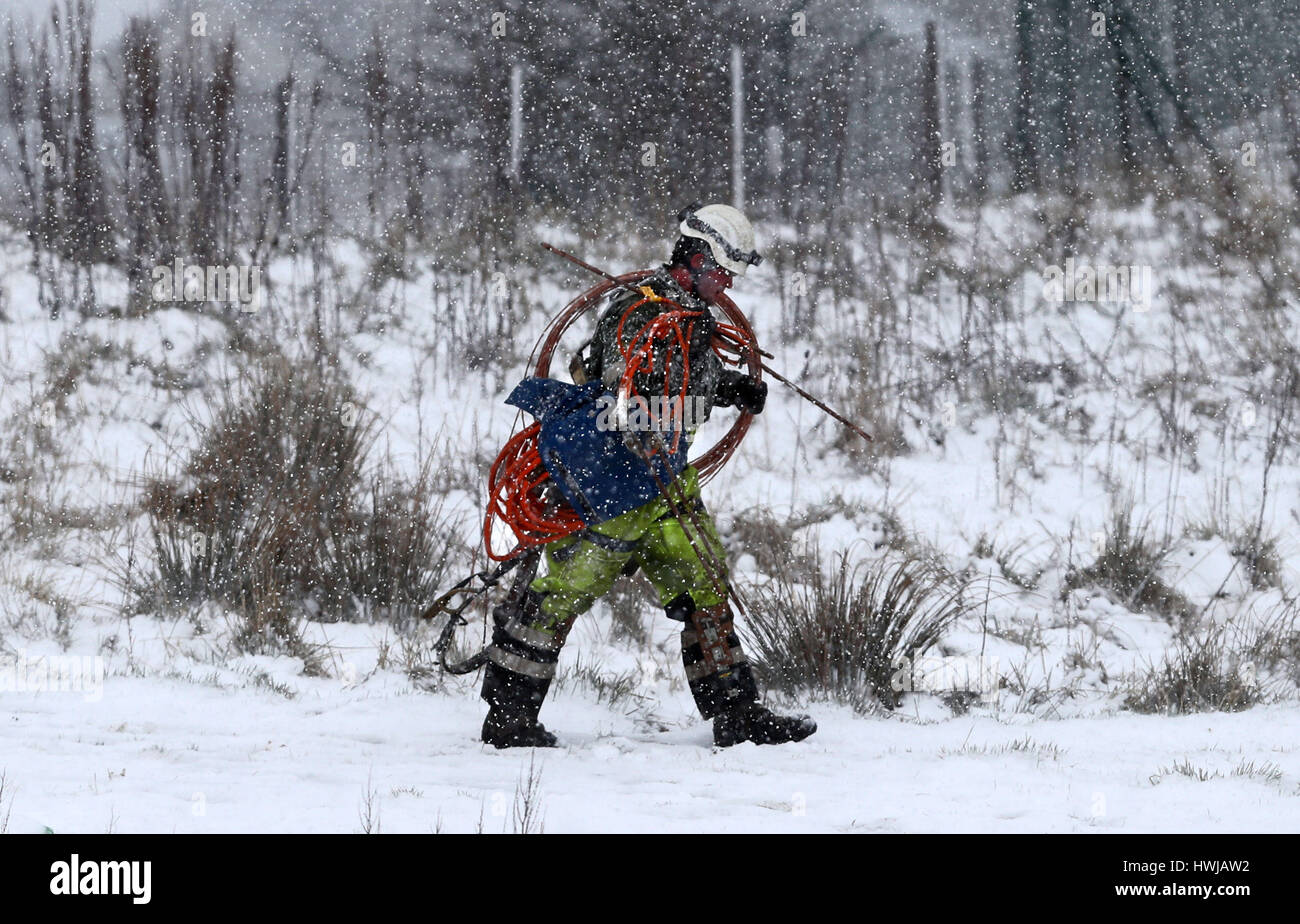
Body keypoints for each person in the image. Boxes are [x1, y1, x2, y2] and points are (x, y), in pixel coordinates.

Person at [480, 203, 817, 749]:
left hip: (665, 480)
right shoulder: (637, 311)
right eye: (723, 270)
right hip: (616, 483)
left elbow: (679, 385)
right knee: (562, 593)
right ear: (697, 256)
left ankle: (738, 715)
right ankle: (509, 717)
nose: (729, 282)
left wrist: (727, 385)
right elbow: (634, 398)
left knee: (705, 583)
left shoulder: (690, 315)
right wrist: (715, 393)